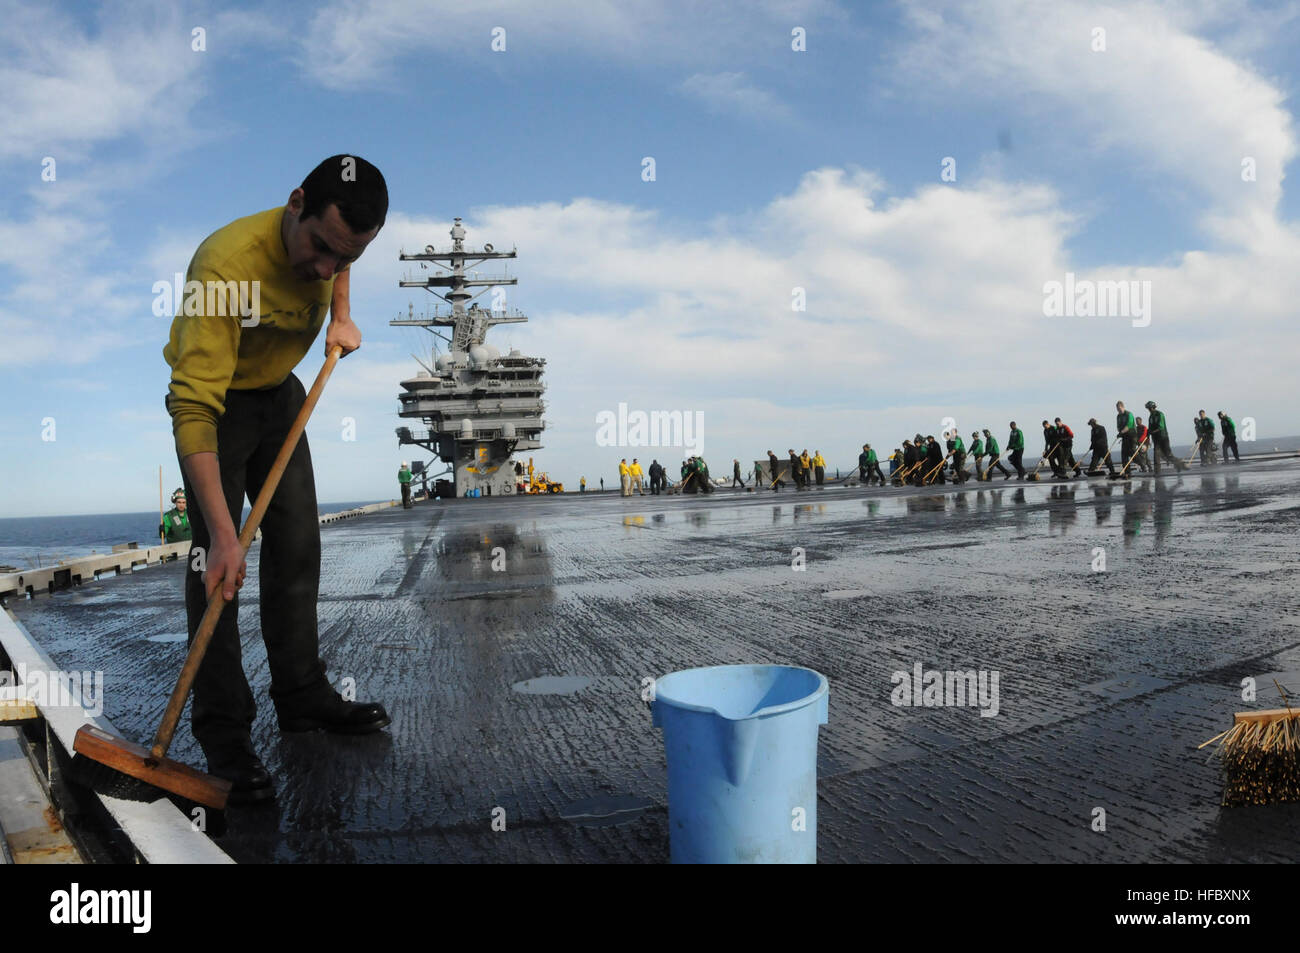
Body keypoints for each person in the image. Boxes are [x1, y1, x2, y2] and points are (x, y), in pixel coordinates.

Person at [163, 154, 391, 803]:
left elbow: (338, 259)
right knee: (217, 564)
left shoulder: (334, 249)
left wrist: (341, 312)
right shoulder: (226, 268)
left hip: (279, 392)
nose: (324, 268)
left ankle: (301, 695)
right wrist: (223, 530)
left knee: (297, 541)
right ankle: (224, 733)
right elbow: (194, 406)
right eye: (319, 247)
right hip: (218, 406)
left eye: (344, 258)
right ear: (295, 203)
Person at [1144, 401, 1185, 474]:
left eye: (1150, 408)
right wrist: (1148, 435)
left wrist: (1152, 432)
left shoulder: (1160, 414)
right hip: (1156, 439)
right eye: (1148, 409)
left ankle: (1179, 463)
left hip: (1163, 437)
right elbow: (1150, 428)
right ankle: (1157, 471)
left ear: (1153, 407)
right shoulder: (1150, 417)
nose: (1149, 410)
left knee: (1168, 455)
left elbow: (1161, 427)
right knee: (1156, 454)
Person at [1116, 401, 1138, 472]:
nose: (1118, 411)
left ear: (1123, 407)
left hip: (1132, 435)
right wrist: (1120, 432)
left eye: (1119, 409)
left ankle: (1142, 464)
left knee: (1132, 452)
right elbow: (1118, 426)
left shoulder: (1129, 414)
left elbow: (1129, 425)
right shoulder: (1118, 416)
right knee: (1124, 454)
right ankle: (1126, 471)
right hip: (1124, 436)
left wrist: (1122, 432)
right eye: (1117, 409)